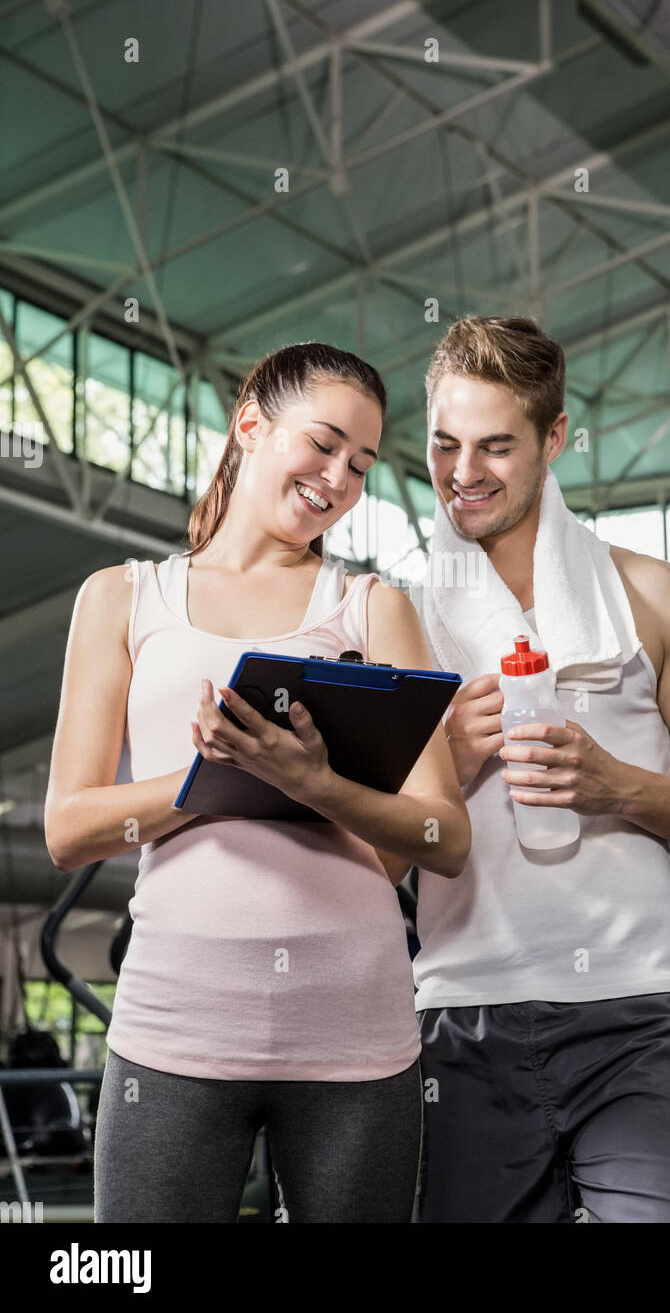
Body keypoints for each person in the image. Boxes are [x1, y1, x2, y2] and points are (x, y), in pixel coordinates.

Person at [43, 342, 470, 1224]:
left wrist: (312, 782)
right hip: (176, 1025)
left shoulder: (372, 608)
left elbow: (444, 837)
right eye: (322, 444)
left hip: (357, 1030)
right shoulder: (123, 598)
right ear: (249, 425)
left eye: (360, 463)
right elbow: (70, 829)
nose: (339, 478)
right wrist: (216, 775)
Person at [396, 315, 670, 1224]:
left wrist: (621, 789)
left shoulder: (654, 595)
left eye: (496, 447)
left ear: (554, 437)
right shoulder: (395, 622)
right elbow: (359, 850)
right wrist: (445, 759)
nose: (464, 474)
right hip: (459, 1021)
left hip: (639, 1014)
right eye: (445, 444)